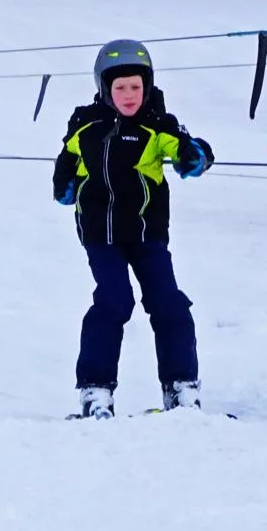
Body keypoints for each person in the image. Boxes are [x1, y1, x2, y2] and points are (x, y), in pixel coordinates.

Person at [53, 39, 215, 420]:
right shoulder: (86, 127)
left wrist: (196, 156)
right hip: (101, 234)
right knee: (114, 300)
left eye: (136, 87)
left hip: (147, 234)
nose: (129, 95)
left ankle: (181, 387)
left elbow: (187, 151)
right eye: (120, 87)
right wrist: (64, 185)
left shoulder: (156, 124)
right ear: (104, 88)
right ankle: (96, 391)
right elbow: (67, 162)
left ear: (148, 86)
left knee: (169, 302)